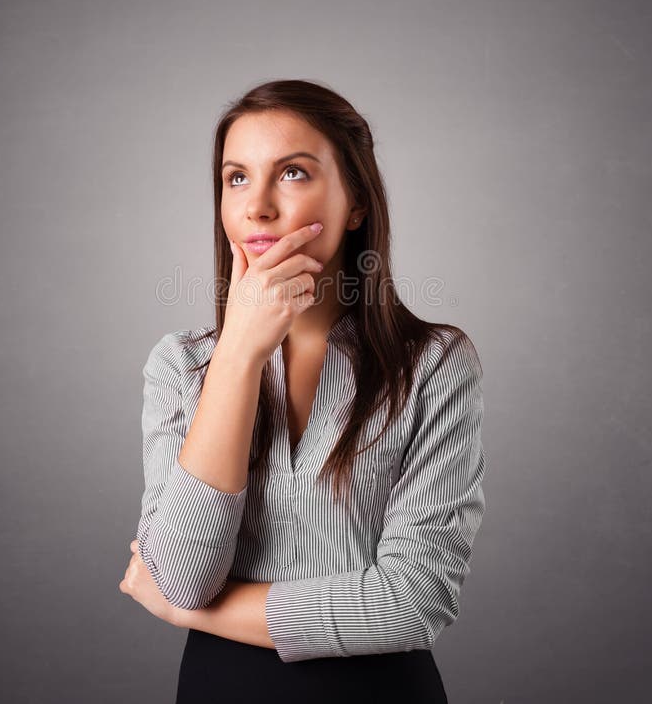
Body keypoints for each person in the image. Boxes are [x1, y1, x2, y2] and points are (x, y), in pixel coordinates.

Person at [119, 79, 486, 703]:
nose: (257, 206)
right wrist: (237, 356)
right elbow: (182, 577)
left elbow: (413, 604)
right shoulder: (181, 366)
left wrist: (199, 615)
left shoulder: (433, 364)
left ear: (356, 205)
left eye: (291, 173)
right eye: (236, 177)